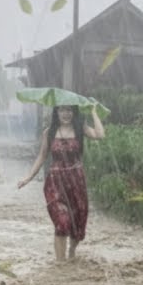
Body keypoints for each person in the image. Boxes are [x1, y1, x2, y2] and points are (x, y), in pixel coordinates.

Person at [17, 105, 105, 261]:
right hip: (55, 183)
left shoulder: (80, 129)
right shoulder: (49, 132)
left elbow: (100, 135)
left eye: (69, 110)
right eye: (62, 110)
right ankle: (60, 266)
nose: (66, 114)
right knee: (62, 223)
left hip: (77, 183)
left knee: (77, 223)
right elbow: (42, 157)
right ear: (56, 112)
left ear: (74, 112)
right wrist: (28, 177)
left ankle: (72, 250)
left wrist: (93, 112)